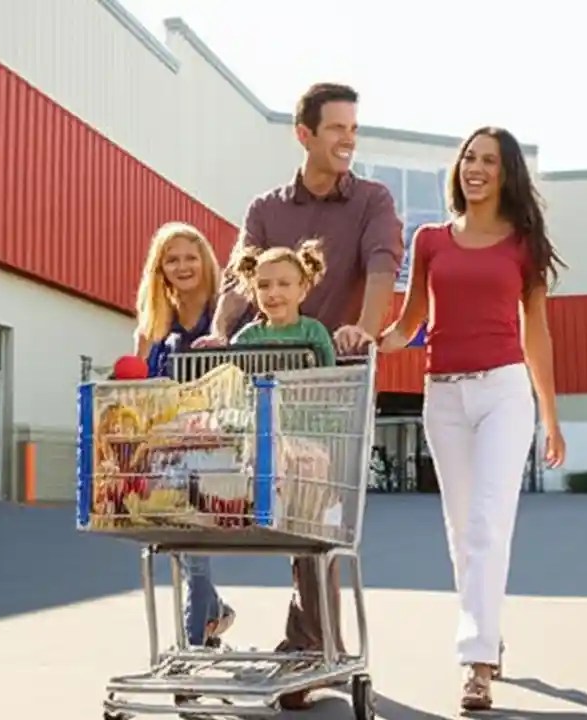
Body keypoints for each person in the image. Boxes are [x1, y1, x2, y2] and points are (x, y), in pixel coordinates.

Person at [195, 82, 403, 711]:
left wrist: (363, 330)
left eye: (354, 129)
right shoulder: (267, 206)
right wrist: (219, 332)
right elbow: (241, 277)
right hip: (267, 393)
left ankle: (311, 646)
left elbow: (381, 266)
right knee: (291, 523)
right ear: (304, 134)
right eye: (337, 128)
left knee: (317, 523)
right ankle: (315, 648)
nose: (348, 140)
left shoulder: (372, 199)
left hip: (333, 387)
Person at [378, 126, 567, 711]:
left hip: (505, 393)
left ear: (507, 172)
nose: (475, 168)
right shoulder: (431, 240)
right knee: (463, 534)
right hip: (444, 397)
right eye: (468, 158)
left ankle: (476, 661)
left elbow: (536, 331)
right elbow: (410, 322)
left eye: (488, 160)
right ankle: (488, 631)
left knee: (487, 525)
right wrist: (372, 339)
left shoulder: (523, 244)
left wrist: (551, 416)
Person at [133, 221, 236, 647]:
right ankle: (212, 614)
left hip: (218, 447)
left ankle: (193, 642)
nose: (182, 265)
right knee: (183, 543)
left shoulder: (225, 316)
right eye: (171, 259)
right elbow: (137, 387)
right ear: (160, 268)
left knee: (192, 542)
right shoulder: (152, 326)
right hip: (167, 450)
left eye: (190, 257)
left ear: (206, 262)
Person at [228, 240, 337, 367]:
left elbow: (329, 376)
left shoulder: (314, 333)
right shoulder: (246, 338)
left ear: (303, 289)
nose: (273, 293)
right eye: (263, 285)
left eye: (284, 284)